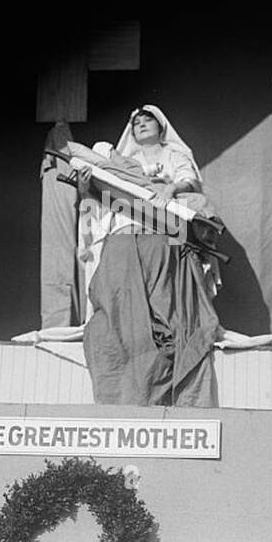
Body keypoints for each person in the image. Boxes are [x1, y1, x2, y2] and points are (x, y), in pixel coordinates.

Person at [73, 105, 223, 407]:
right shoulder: (122, 162)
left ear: (161, 126)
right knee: (116, 308)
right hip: (127, 230)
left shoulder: (173, 155)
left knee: (166, 309)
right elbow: (101, 194)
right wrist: (88, 182)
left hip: (164, 232)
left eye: (147, 120)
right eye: (136, 122)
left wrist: (168, 188)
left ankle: (162, 361)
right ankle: (126, 365)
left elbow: (188, 181)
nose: (140, 125)